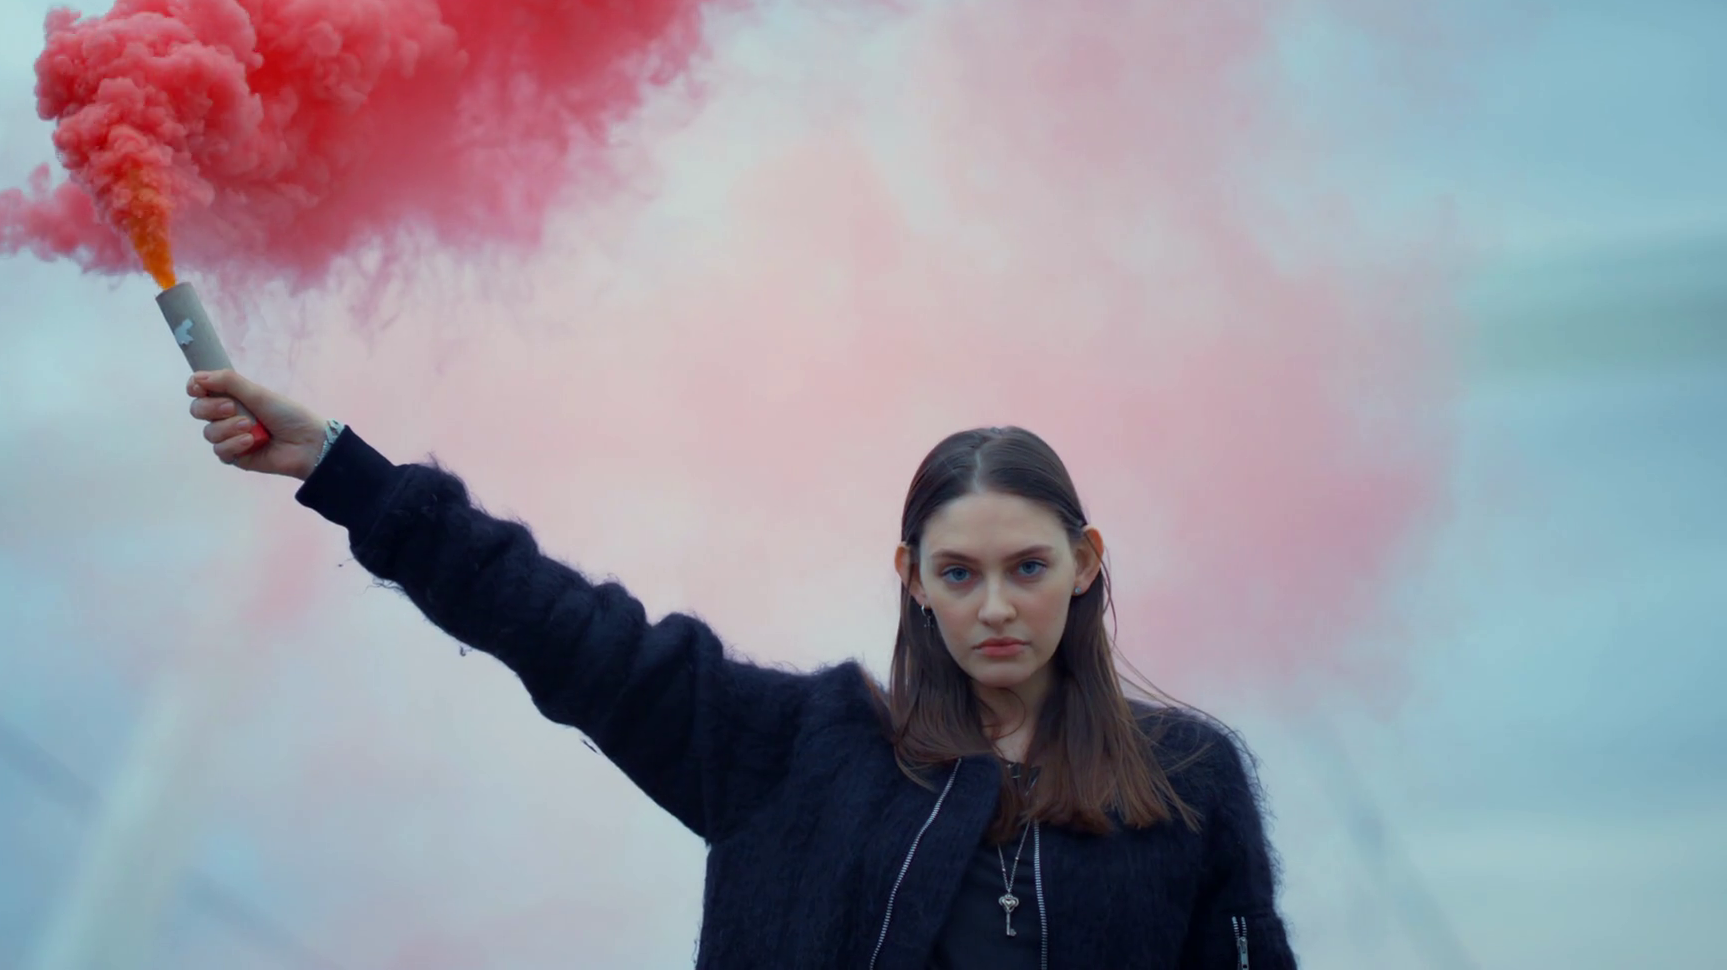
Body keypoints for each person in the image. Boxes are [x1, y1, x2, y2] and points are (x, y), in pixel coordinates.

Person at [185, 368, 1298, 970]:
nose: (996, 606)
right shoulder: (799, 751)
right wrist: (346, 471)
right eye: (959, 573)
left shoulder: (1188, 780)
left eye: (1029, 569)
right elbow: (568, 632)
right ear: (911, 579)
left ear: (1085, 563)